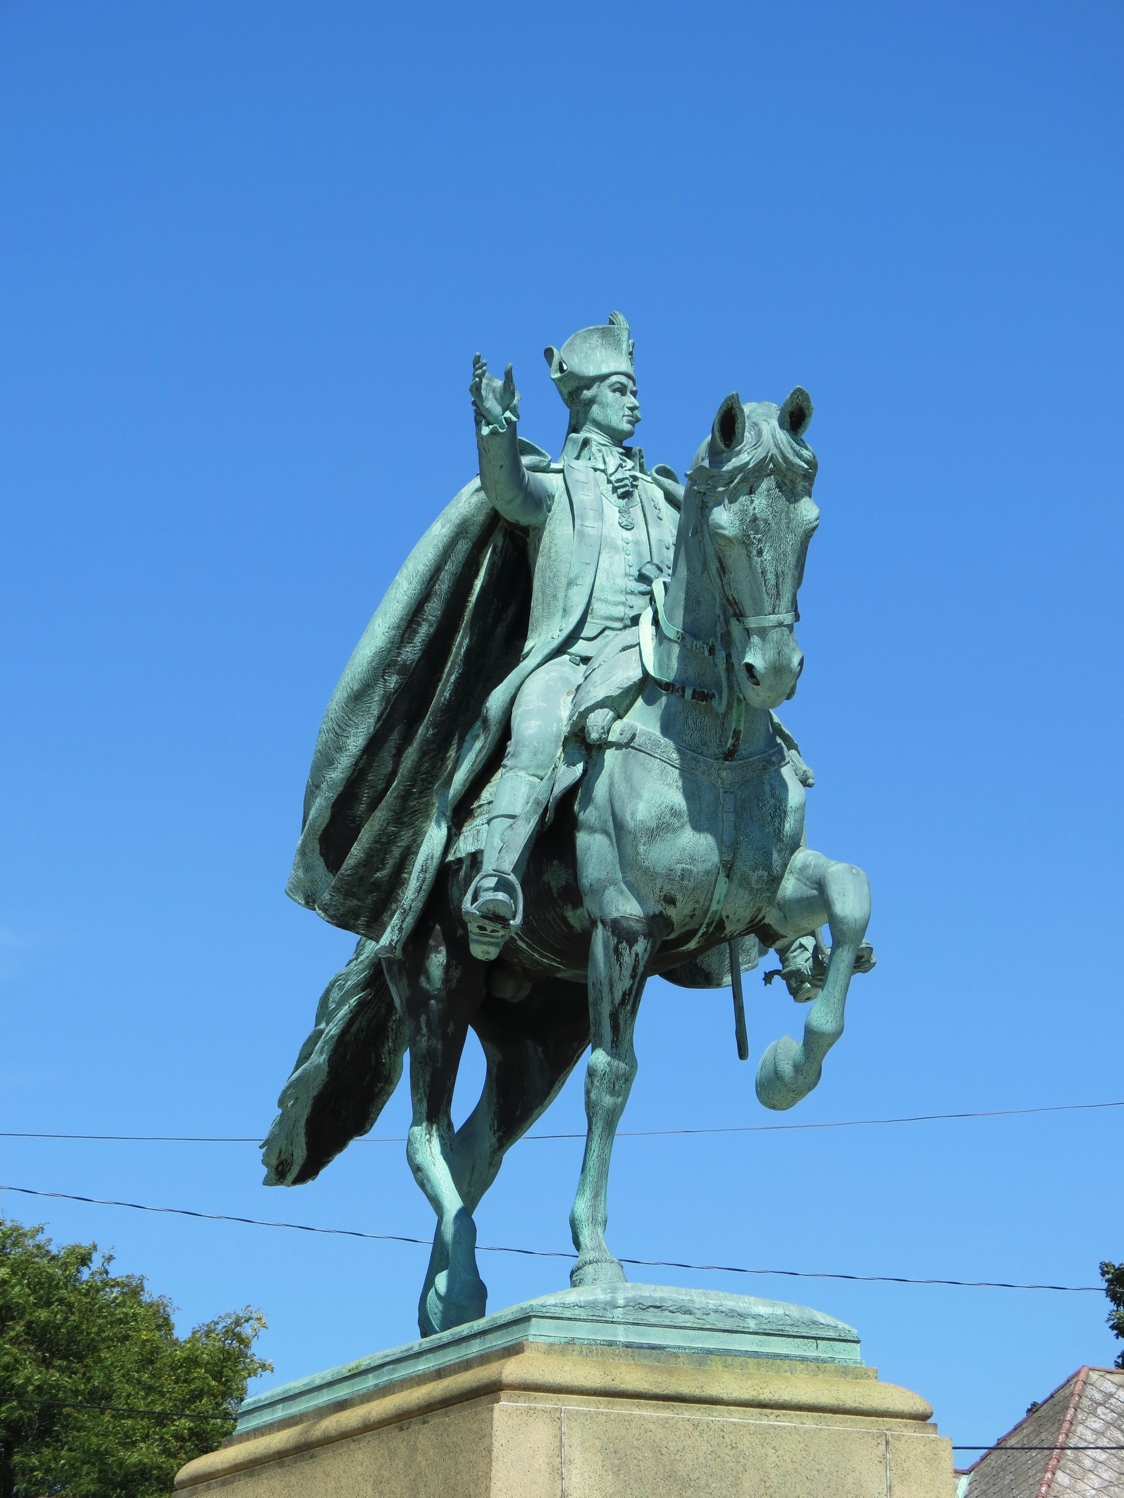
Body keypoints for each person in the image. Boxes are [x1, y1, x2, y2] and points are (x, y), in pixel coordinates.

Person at [461, 312, 681, 959]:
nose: (635, 399)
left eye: (634, 389)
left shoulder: (664, 498)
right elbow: (508, 492)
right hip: (573, 659)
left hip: (650, 662)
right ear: (584, 398)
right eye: (620, 388)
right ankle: (498, 874)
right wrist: (497, 428)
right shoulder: (555, 488)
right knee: (535, 736)